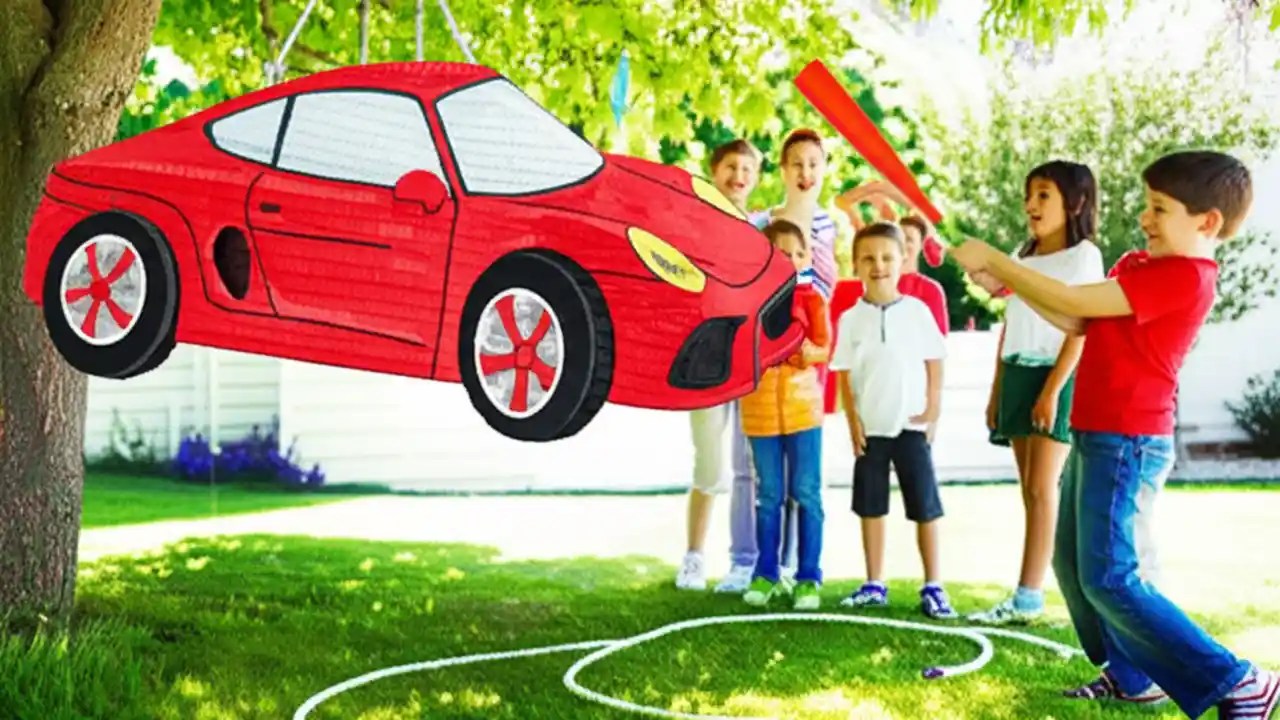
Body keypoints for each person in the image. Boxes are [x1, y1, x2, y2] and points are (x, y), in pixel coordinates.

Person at [951, 150, 1276, 719]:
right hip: (1097, 431)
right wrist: (1009, 285)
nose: (1145, 218)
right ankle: (1131, 677)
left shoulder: (1185, 277)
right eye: (1147, 205)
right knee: (1072, 565)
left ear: (1207, 224)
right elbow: (1080, 319)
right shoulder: (1139, 265)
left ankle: (1239, 680)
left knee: (1110, 577)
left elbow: (1076, 300)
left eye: (1160, 209)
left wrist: (1001, 265)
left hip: (1128, 440)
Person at [968, 161, 1106, 626]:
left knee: (1041, 489)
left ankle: (1028, 596)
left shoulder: (1084, 256)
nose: (1031, 204)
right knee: (1030, 492)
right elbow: (1012, 324)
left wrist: (1051, 392)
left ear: (1077, 203)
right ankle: (1029, 592)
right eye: (1030, 193)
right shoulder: (1021, 258)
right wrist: (997, 389)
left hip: (1055, 377)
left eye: (1044, 194)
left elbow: (1081, 329)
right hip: (1018, 373)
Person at [829, 222, 957, 620]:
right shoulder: (851, 319)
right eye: (868, 258)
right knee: (871, 506)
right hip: (871, 430)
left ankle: (933, 585)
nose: (878, 265)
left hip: (911, 428)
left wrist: (933, 408)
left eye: (887, 257)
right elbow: (844, 374)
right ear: (855, 265)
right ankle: (874, 583)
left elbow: (935, 359)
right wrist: (853, 422)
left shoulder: (917, 312)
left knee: (925, 507)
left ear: (903, 260)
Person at [748, 128, 841, 577]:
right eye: (796, 164)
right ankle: (758, 565)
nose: (805, 173)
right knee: (764, 482)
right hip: (762, 381)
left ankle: (804, 569)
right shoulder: (760, 224)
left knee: (804, 483)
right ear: (782, 170)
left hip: (804, 375)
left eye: (813, 164)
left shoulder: (827, 226)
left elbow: (825, 295)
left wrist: (808, 346)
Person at [676, 138, 764, 593]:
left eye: (748, 170)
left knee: (750, 465)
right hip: (707, 359)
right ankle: (693, 557)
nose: (739, 176)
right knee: (710, 464)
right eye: (731, 167)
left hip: (748, 360)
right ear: (715, 171)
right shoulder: (694, 225)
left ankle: (747, 562)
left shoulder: (763, 232)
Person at [739, 219, 829, 610]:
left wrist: (798, 352)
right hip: (759, 414)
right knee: (768, 496)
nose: (790, 260)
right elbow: (744, 352)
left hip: (804, 412)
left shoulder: (813, 300)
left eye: (798, 253)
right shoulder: (748, 302)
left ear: (807, 258)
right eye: (781, 252)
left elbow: (822, 348)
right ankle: (766, 573)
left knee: (807, 494)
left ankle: (808, 578)